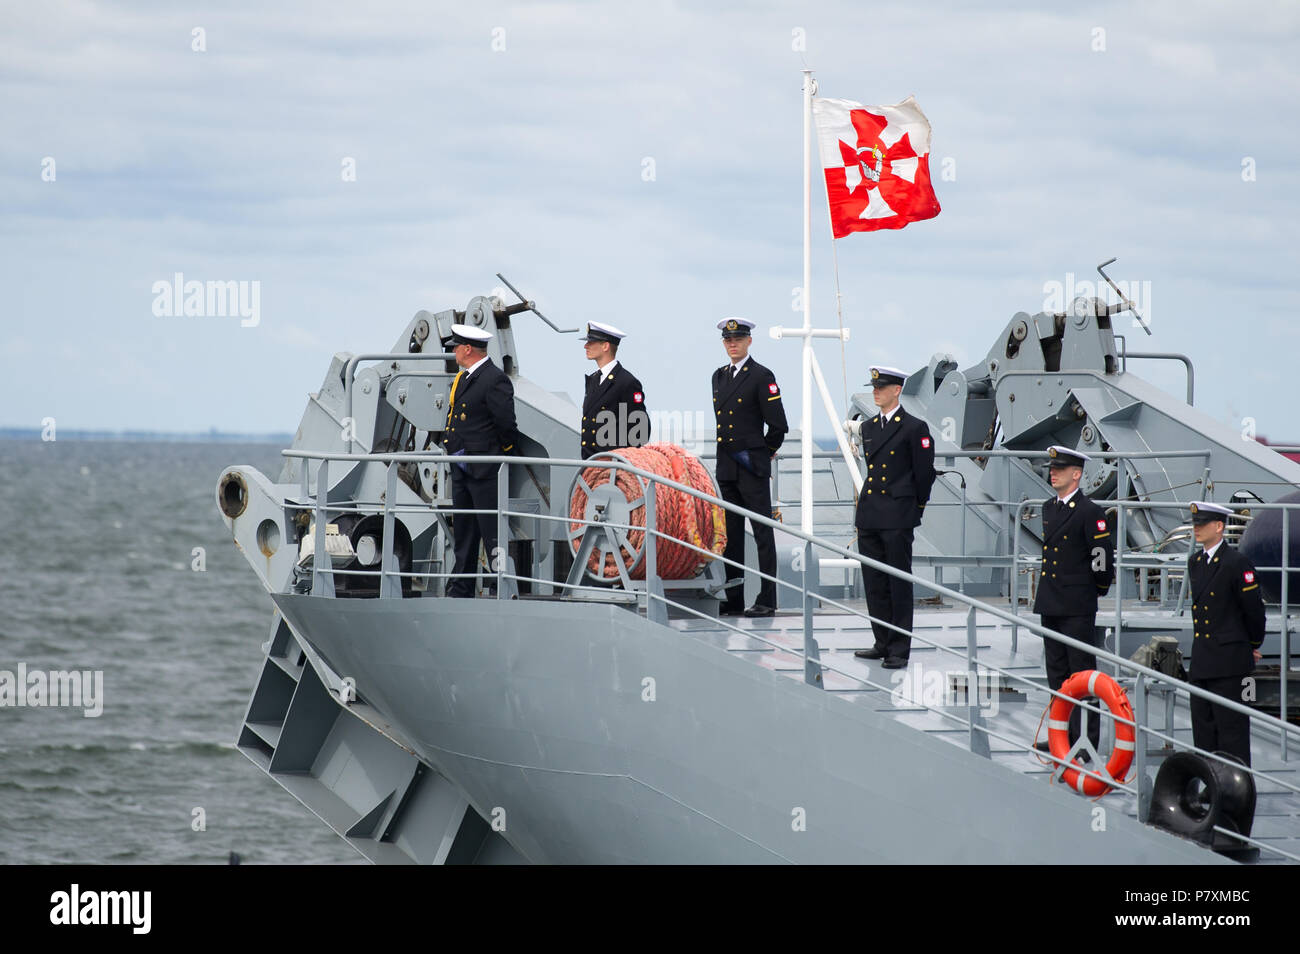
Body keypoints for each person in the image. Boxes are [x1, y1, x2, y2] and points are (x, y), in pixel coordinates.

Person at [847, 366, 936, 669]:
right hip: (871, 514)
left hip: (898, 515)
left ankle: (899, 647)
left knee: (897, 582)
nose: (876, 392)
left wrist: (915, 509)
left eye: (881, 387)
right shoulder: (870, 429)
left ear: (896, 390)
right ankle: (881, 641)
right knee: (874, 582)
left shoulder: (914, 428)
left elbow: (924, 475)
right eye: (874, 387)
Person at [1030, 446, 1115, 754]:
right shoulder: (1048, 508)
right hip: (1051, 602)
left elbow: (1101, 556)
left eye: (1060, 469)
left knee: (1082, 676)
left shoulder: (1090, 512)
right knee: (1057, 675)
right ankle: (1060, 737)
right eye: (1052, 468)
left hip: (1077, 605)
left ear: (1076, 474)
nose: (1052, 472)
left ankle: (1085, 740)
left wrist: (1097, 589)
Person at [712, 317, 788, 617]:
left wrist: (763, 453)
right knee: (730, 537)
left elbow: (779, 425)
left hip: (752, 468)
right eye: (728, 340)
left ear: (749, 341)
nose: (733, 343)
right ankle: (732, 599)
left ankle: (767, 599)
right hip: (727, 468)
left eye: (738, 339)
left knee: (762, 535)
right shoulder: (718, 377)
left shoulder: (761, 376)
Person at [1187, 501, 1266, 767]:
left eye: (1203, 524)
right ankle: (1211, 787)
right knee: (1204, 733)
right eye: (1195, 524)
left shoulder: (1237, 563)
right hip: (1202, 662)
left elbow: (1253, 611)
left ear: (1219, 527)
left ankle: (1236, 792)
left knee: (1232, 734)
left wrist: (1251, 645)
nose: (1196, 529)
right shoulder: (1195, 562)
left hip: (1230, 662)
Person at [442, 324, 518, 598]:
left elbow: (506, 425)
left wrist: (499, 453)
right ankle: (461, 585)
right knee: (463, 531)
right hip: (462, 468)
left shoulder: (494, 379)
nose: (453, 352)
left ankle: (500, 584)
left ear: (467, 349)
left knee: (492, 533)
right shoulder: (463, 379)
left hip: (484, 468)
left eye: (455, 347)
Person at [579, 321, 650, 459]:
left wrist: (621, 458)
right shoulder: (594, 379)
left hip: (613, 466)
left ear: (605, 346)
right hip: (590, 464)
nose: (585, 346)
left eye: (591, 342)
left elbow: (640, 430)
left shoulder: (627, 382)